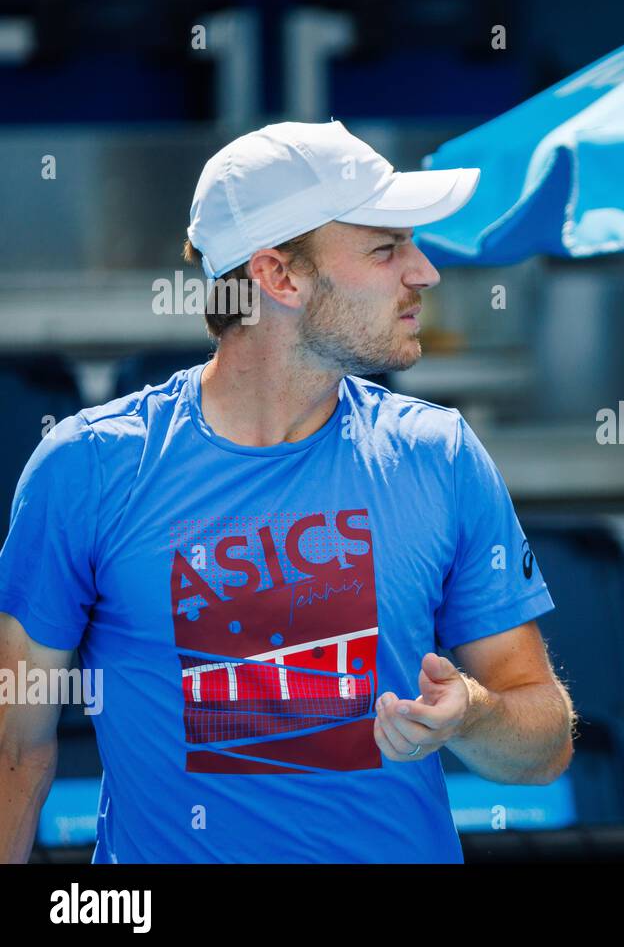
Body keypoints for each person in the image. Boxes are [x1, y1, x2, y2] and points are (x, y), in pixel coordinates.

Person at [0, 120, 574, 863]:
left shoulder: (441, 454)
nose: (425, 272)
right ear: (278, 276)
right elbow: (16, 750)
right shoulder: (88, 467)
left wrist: (473, 716)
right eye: (385, 247)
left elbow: (545, 743)